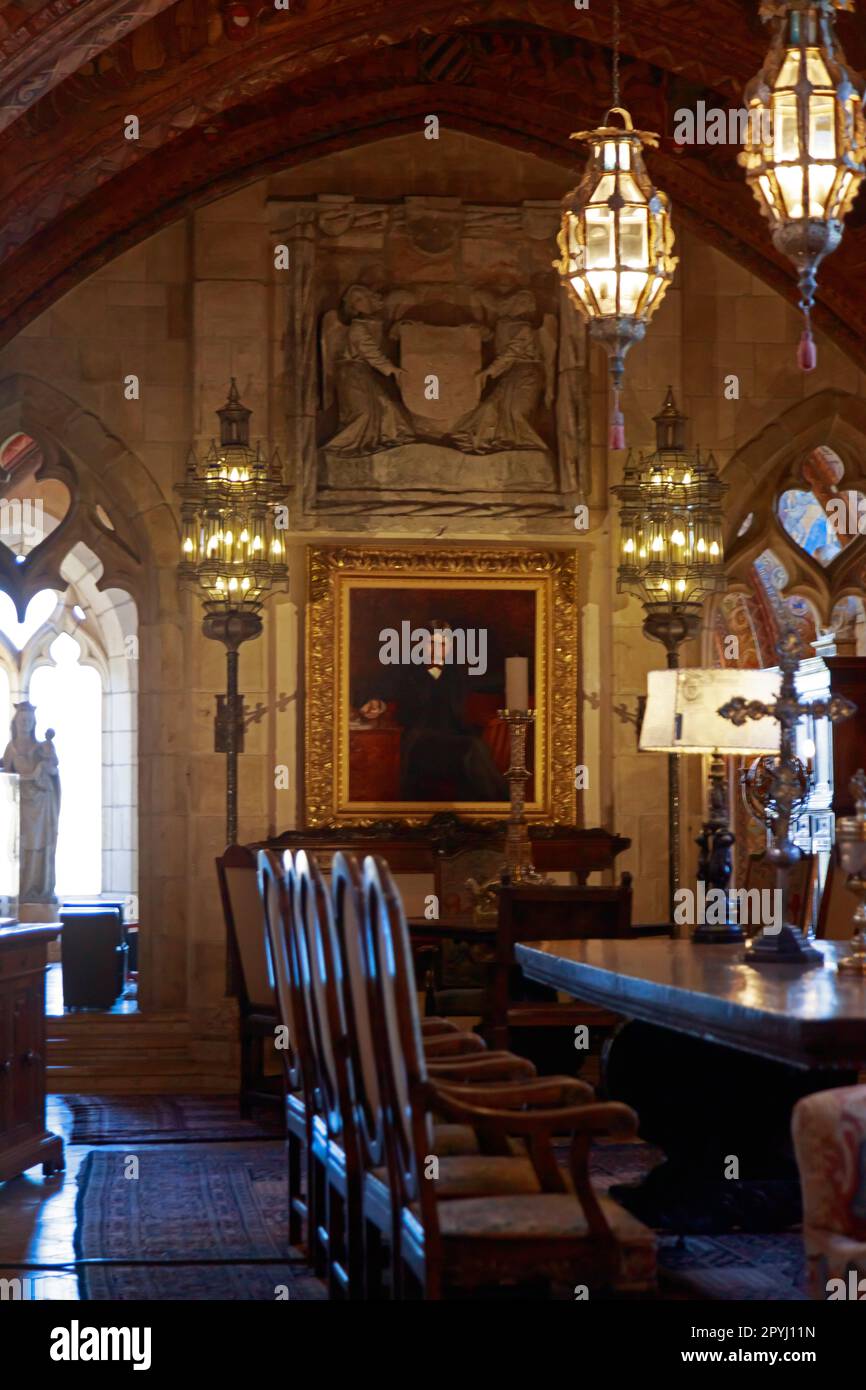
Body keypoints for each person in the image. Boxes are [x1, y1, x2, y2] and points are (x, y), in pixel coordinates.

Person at [1, 701, 60, 904]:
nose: (25, 723)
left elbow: (54, 771)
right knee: (23, 847)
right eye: (22, 720)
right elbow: (6, 775)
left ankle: (40, 890)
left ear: (33, 723)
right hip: (20, 806)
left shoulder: (41, 747)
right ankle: (23, 890)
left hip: (42, 804)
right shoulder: (11, 748)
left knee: (40, 846)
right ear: (15, 723)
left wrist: (45, 766)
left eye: (28, 720)